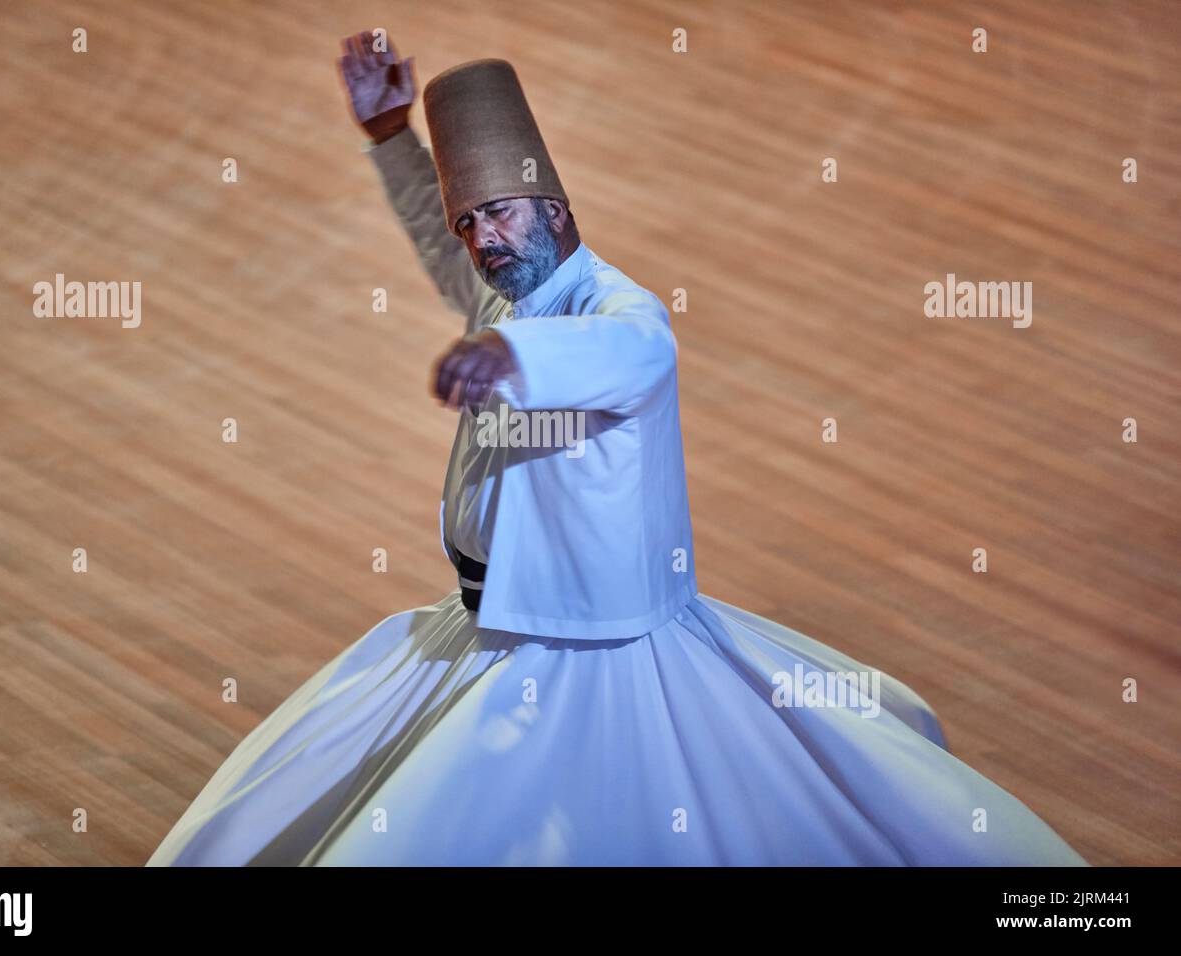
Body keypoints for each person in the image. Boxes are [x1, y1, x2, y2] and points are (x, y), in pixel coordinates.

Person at [145, 33, 1089, 866]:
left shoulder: (617, 313)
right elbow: (442, 256)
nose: (481, 240)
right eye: (473, 222)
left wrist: (506, 354)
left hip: (578, 651)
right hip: (489, 625)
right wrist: (392, 139)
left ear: (556, 208)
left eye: (502, 214)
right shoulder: (510, 291)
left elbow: (629, 354)